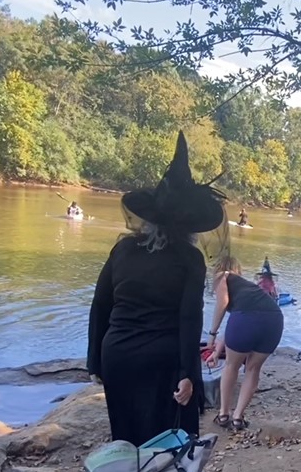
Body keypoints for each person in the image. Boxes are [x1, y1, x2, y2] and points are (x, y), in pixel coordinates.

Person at [87, 131, 228, 448]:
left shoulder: (122, 249)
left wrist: (94, 360)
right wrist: (188, 373)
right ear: (190, 226)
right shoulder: (189, 258)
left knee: (127, 440)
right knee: (169, 444)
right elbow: (189, 318)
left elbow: (100, 305)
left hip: (118, 356)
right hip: (163, 361)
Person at [205, 255, 285, 431]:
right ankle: (237, 418)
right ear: (238, 269)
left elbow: (224, 305)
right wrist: (217, 351)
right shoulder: (247, 287)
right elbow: (235, 323)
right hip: (275, 320)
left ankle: (223, 414)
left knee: (231, 366)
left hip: (246, 320)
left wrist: (212, 335)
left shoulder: (222, 276)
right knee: (253, 369)